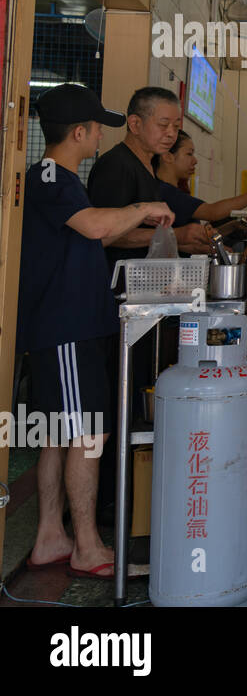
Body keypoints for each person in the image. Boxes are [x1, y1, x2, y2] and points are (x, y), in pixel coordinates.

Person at [19, 85, 175, 577]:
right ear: (80, 131)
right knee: (88, 435)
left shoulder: (58, 178)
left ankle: (50, 536)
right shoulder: (51, 176)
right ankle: (86, 544)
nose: (99, 138)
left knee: (58, 436)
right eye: (97, 129)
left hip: (64, 327)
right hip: (66, 328)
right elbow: (93, 227)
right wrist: (142, 209)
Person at [87, 87, 212, 264]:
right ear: (135, 124)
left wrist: (183, 243)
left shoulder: (149, 166)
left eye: (176, 127)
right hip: (117, 282)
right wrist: (176, 234)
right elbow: (105, 232)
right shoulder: (117, 165)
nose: (171, 133)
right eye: (163, 125)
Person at [152, 130, 247, 227]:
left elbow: (196, 237)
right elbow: (212, 212)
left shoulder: (173, 191)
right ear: (167, 157)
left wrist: (232, 226)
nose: (195, 161)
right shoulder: (164, 192)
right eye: (189, 154)